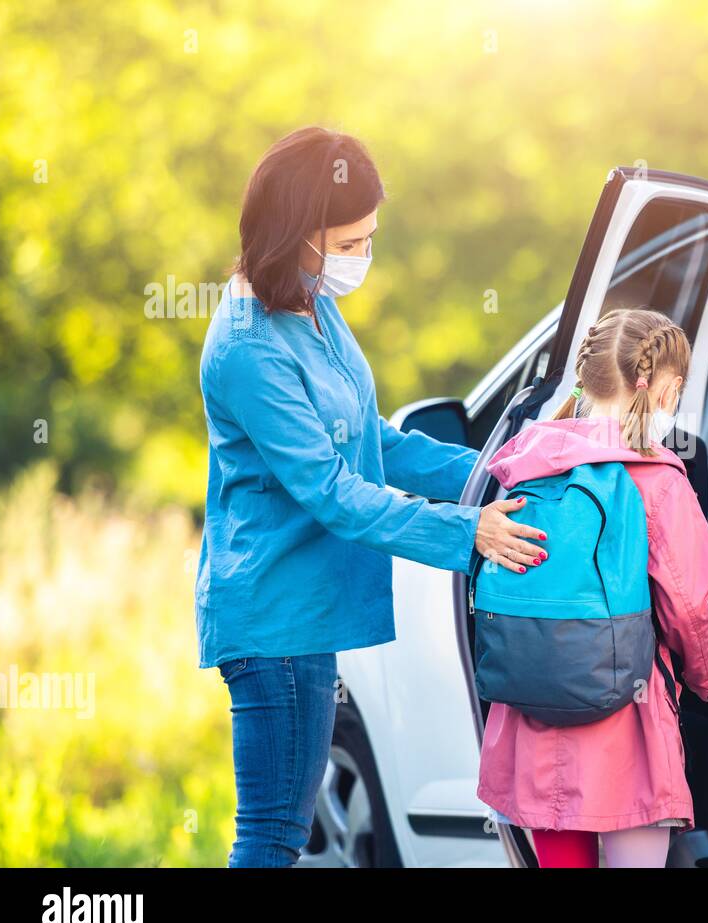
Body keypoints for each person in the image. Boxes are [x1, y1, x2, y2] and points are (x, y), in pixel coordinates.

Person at [197, 127, 546, 867]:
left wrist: (497, 469)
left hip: (306, 615)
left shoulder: (312, 308)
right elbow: (333, 491)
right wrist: (467, 532)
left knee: (277, 834)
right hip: (274, 622)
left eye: (370, 238)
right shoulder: (248, 346)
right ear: (297, 233)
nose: (363, 256)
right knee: (271, 835)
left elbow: (377, 446)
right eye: (350, 240)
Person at [476, 308, 708, 868]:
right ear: (668, 390)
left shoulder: (524, 469)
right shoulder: (659, 482)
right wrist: (706, 682)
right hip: (627, 724)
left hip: (530, 722)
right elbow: (688, 606)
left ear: (584, 382)